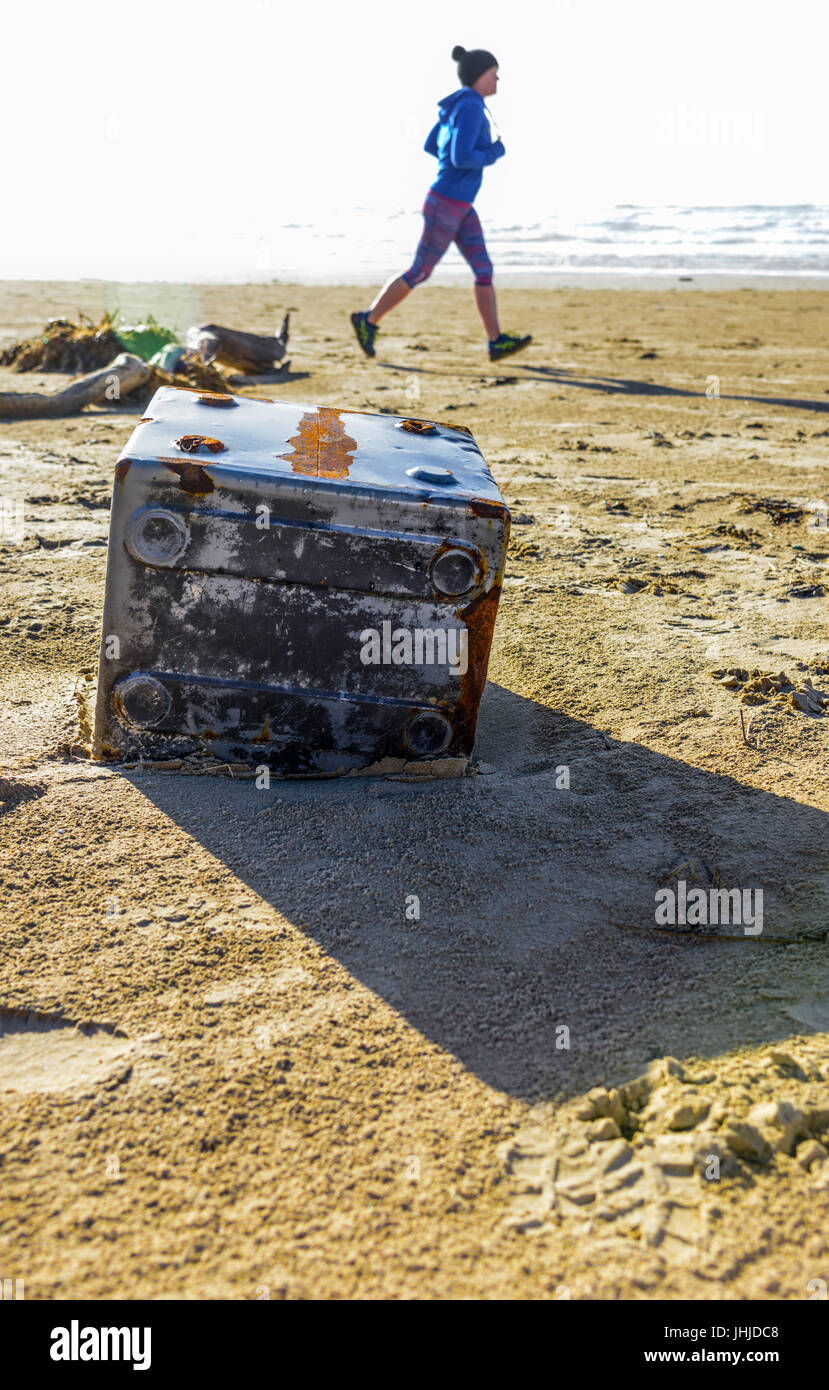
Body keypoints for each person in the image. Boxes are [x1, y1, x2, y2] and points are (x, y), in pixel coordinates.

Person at [351, 45, 532, 364]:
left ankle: (495, 342)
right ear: (479, 76)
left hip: (459, 204)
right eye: (494, 73)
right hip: (447, 203)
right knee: (420, 271)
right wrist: (493, 153)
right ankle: (368, 320)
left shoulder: (458, 106)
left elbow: (432, 145)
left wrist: (455, 169)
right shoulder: (472, 106)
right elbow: (460, 157)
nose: (498, 78)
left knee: (483, 269)